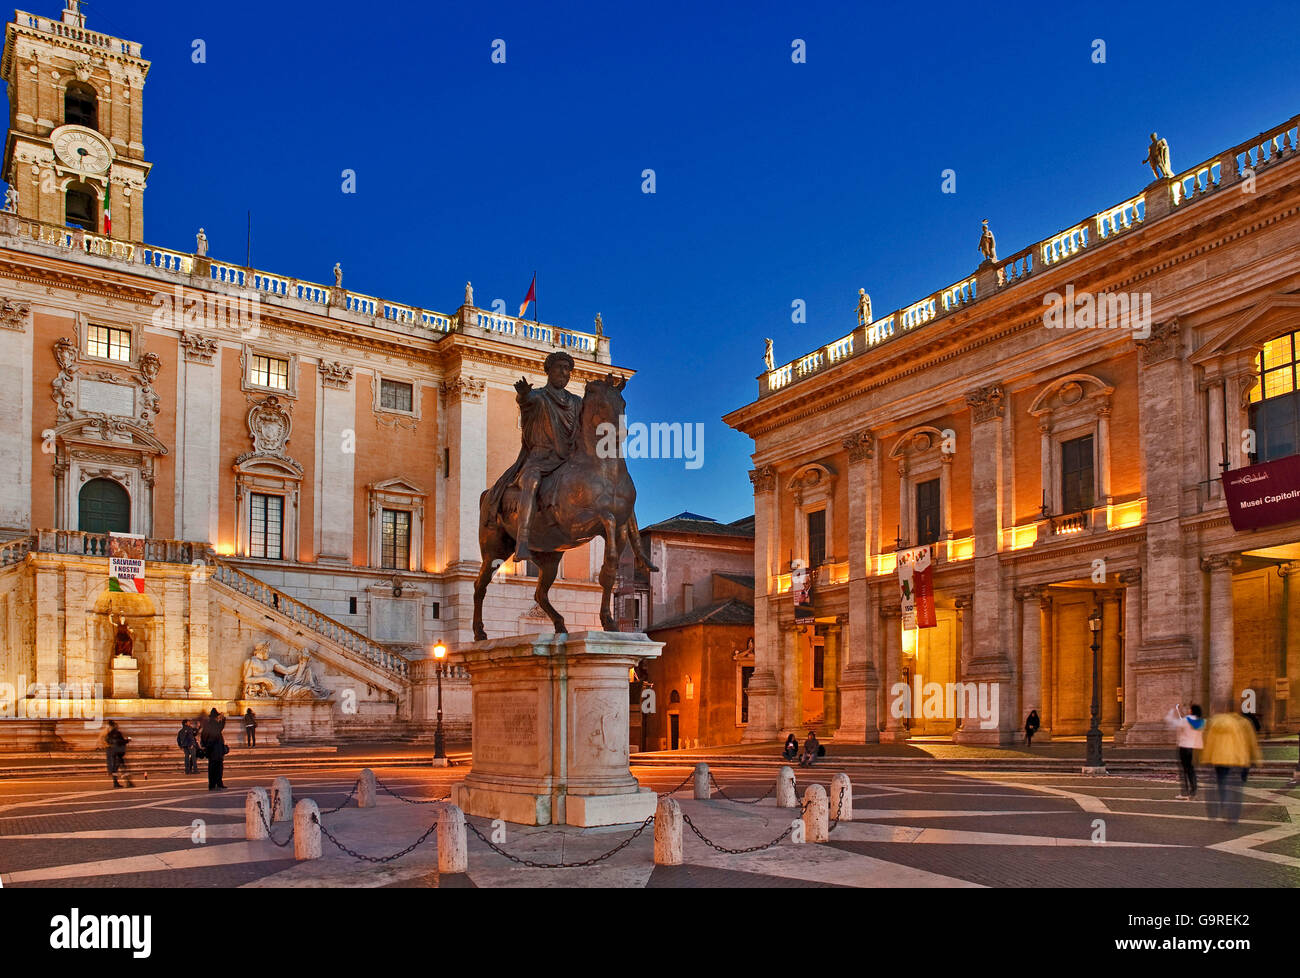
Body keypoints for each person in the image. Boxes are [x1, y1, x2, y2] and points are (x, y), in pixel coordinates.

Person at [1201, 705, 1262, 824]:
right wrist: (1256, 758)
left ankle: (1224, 803)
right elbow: (1251, 742)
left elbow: (1209, 741)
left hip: (1219, 759)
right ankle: (1233, 815)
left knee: (1222, 784)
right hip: (1237, 759)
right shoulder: (1243, 722)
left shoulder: (1215, 723)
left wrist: (1206, 758)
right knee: (1236, 787)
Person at [1164, 703, 1204, 800]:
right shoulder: (1202, 722)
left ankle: (1185, 793)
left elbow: (1173, 723)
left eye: (1190, 709)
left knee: (1184, 771)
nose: (1188, 710)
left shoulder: (1186, 720)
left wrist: (1170, 713)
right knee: (1192, 770)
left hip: (1185, 747)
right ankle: (1193, 792)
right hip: (1196, 749)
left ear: (1192, 710)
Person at [99, 720, 133, 788]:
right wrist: (128, 740)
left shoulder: (108, 734)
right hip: (119, 753)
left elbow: (106, 741)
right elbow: (121, 741)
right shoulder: (117, 733)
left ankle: (115, 783)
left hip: (112, 753)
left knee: (115, 769)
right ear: (114, 726)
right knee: (123, 767)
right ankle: (128, 782)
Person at [200, 708, 228, 791]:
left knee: (212, 768)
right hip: (217, 750)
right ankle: (218, 783)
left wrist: (205, 746)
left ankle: (212, 784)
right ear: (215, 717)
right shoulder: (215, 724)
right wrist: (223, 719)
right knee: (218, 768)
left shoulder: (207, 725)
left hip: (211, 750)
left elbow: (203, 737)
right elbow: (221, 727)